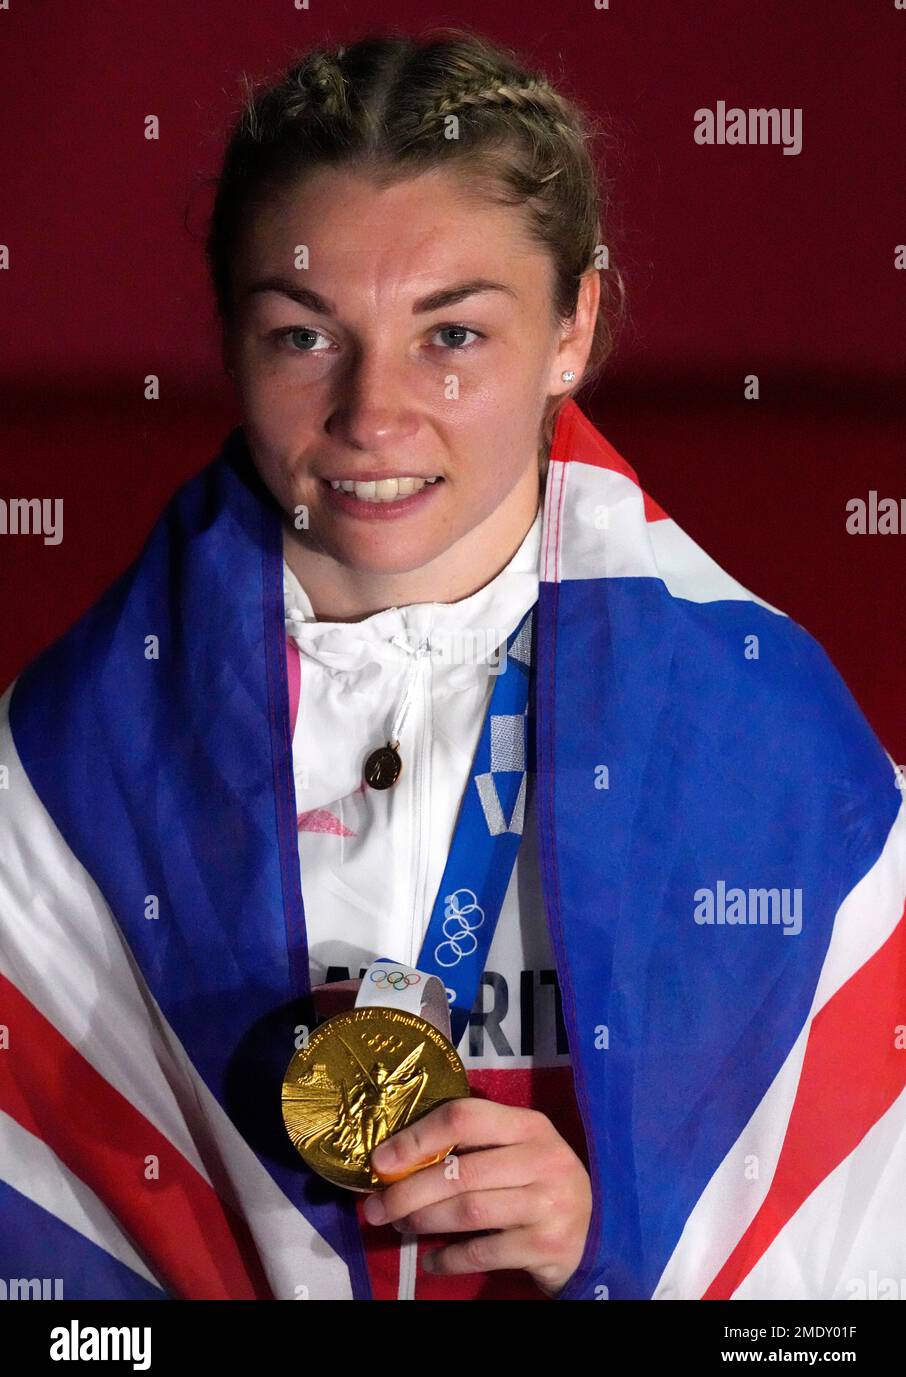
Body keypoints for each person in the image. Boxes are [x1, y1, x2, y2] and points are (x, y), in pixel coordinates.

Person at [1, 28, 903, 1303]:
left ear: (575, 326)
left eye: (455, 336)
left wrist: (617, 1245)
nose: (375, 415)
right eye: (305, 336)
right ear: (227, 336)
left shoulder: (776, 755)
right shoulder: (57, 783)